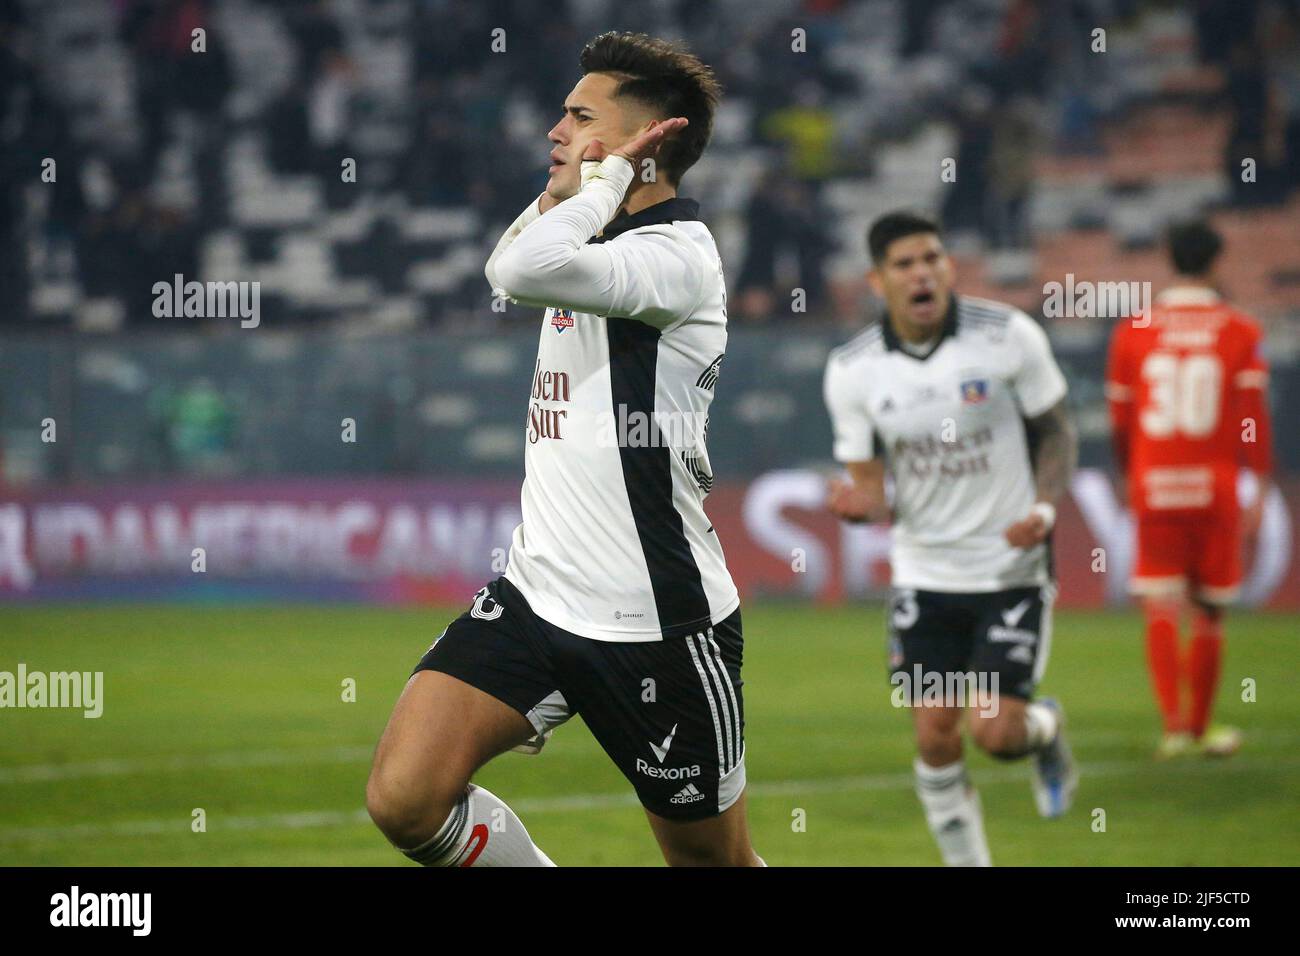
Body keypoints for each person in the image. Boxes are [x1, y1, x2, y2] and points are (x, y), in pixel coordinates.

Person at [366, 32, 762, 867]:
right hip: (538, 594)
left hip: (655, 616)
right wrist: (585, 182)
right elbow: (508, 264)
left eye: (581, 116)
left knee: (709, 864)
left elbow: (522, 271)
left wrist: (607, 180)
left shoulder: (673, 259)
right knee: (405, 799)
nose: (554, 129)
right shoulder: (589, 237)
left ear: (642, 146)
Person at [823, 211, 1079, 866]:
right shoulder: (853, 371)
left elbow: (1055, 430)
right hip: (924, 573)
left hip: (1010, 568)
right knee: (936, 736)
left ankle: (1044, 730)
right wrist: (860, 506)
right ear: (878, 282)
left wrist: (1046, 510)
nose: (922, 273)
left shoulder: (1008, 336)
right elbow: (873, 486)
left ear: (949, 268)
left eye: (932, 257)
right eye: (905, 264)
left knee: (996, 734)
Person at [1105, 219, 1274, 760]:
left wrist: (1129, 473)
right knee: (1209, 610)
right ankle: (1201, 728)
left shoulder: (1134, 329)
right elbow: (1253, 419)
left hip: (1155, 481)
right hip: (1213, 486)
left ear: (1168, 258)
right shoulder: (1239, 329)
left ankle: (1174, 727)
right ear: (1217, 261)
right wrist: (1262, 482)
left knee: (1160, 603)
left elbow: (1120, 417)